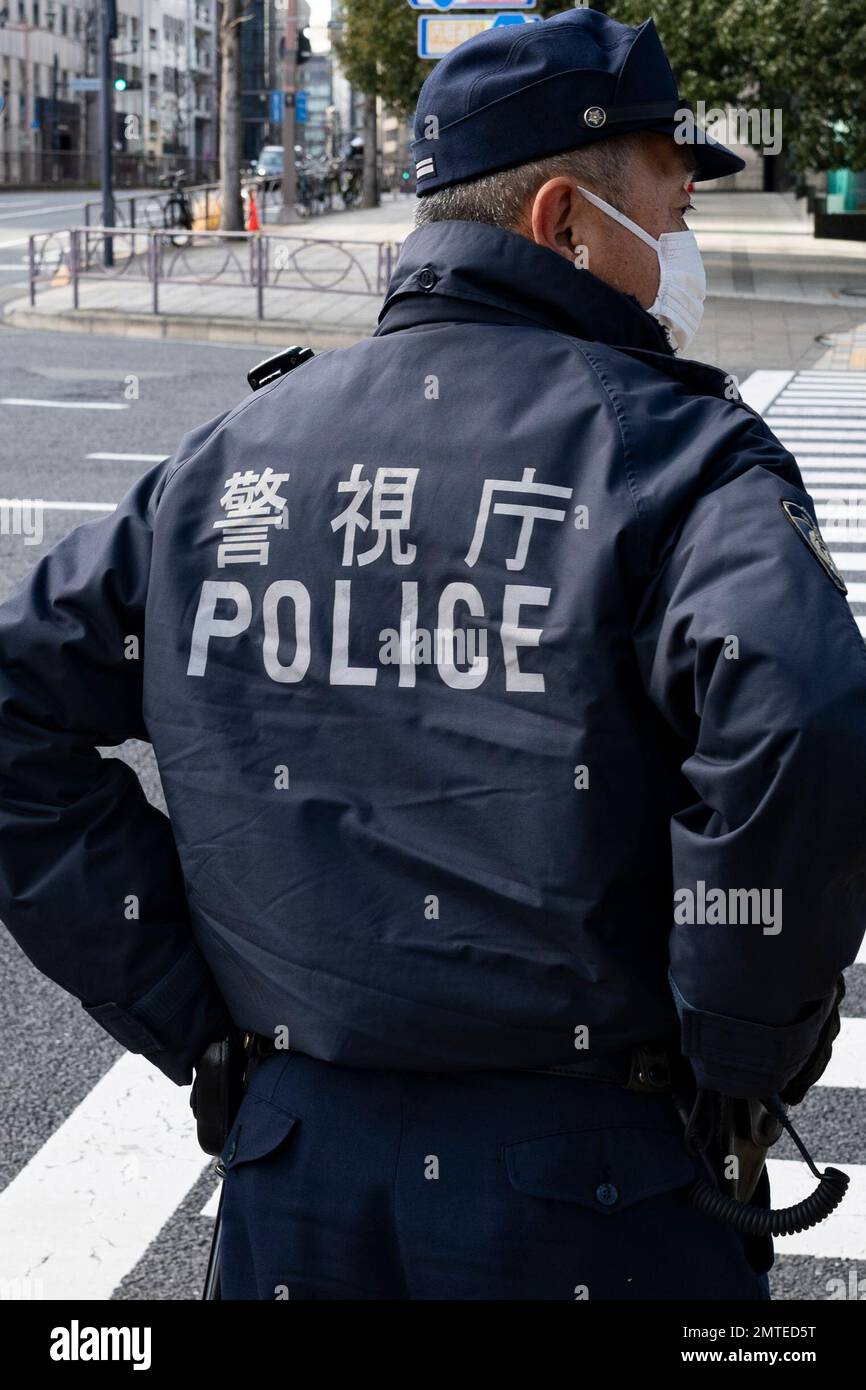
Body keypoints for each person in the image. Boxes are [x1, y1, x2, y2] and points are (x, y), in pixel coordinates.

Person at [1, 9, 864, 1301]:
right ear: (565, 222)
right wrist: (740, 1045)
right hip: (601, 1183)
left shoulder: (232, 462)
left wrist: (192, 1013)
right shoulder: (672, 458)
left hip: (298, 1172)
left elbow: (17, 711)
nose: (678, 253)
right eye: (669, 216)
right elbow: (797, 709)